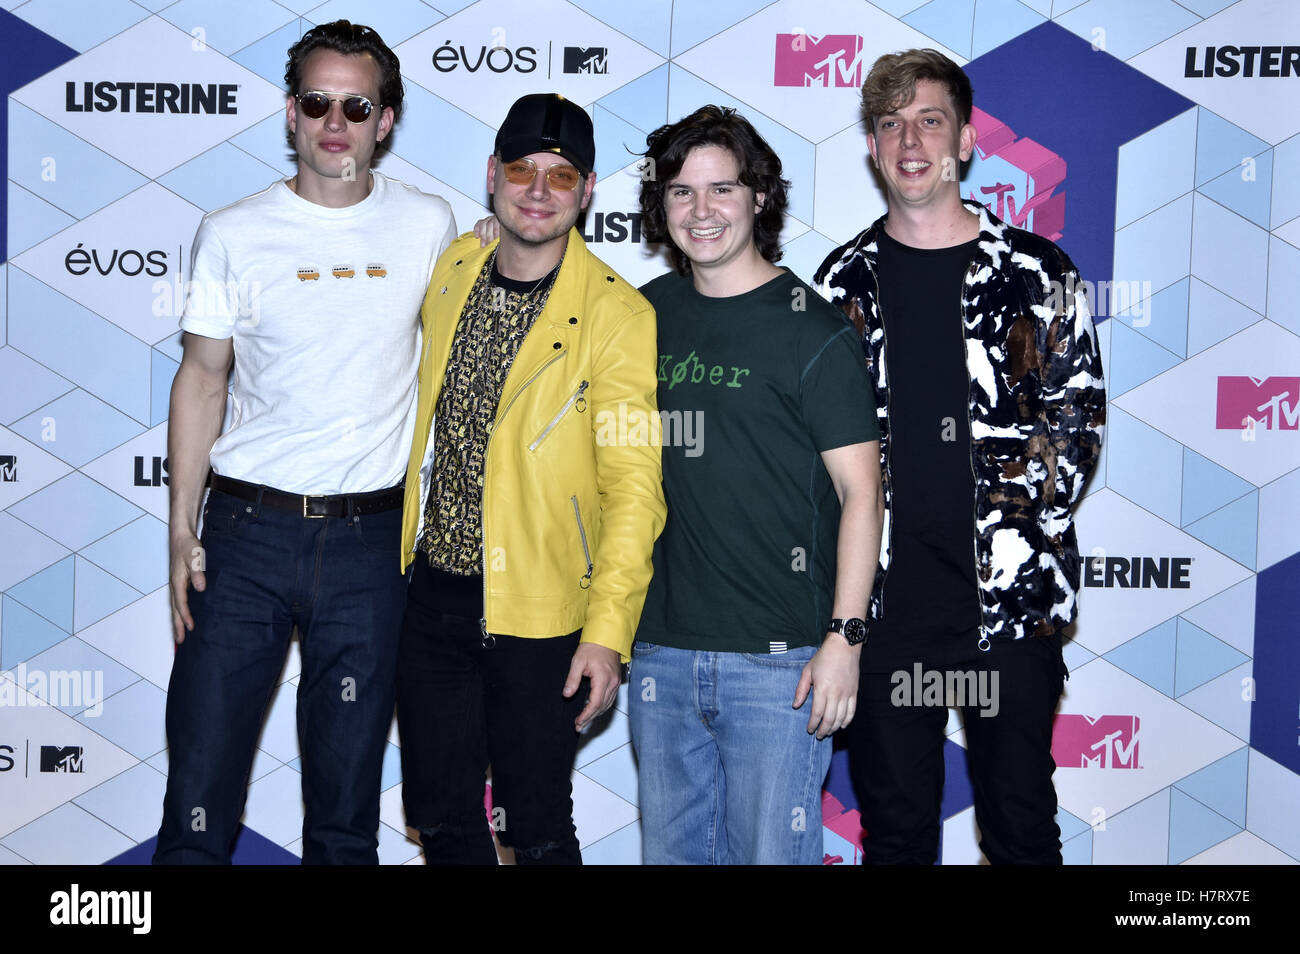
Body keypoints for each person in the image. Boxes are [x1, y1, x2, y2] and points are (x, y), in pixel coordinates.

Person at [156, 20, 456, 864]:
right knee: (197, 804)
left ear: (384, 121)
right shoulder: (234, 232)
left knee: (344, 815)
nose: (336, 122)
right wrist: (182, 528)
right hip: (245, 539)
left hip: (371, 545)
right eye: (318, 102)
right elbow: (202, 379)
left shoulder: (429, 228)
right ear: (290, 112)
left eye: (356, 106)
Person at [814, 48, 1105, 865]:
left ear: (967, 141)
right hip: (885, 622)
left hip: (1009, 618)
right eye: (890, 124)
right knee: (897, 838)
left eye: (929, 120)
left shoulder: (1038, 274)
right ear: (873, 148)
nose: (910, 141)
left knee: (1019, 831)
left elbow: (1076, 436)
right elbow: (821, 462)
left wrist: (991, 510)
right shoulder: (841, 283)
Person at [395, 93, 665, 865]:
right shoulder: (452, 269)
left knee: (538, 831)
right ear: (492, 177)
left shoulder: (618, 315)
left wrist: (608, 634)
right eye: (521, 170)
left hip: (543, 617)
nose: (538, 190)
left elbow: (635, 487)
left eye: (561, 174)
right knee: (444, 823)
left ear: (587, 192)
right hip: (432, 599)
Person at [629, 105, 883, 865]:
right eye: (681, 191)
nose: (702, 211)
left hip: (781, 664)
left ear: (759, 198)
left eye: (722, 189)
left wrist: (844, 639)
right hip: (661, 653)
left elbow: (863, 495)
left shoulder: (813, 328)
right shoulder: (645, 314)